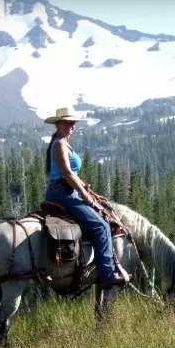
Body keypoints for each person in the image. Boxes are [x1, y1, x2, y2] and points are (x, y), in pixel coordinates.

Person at [44, 106, 126, 289]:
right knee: (101, 226)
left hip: (66, 189)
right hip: (62, 192)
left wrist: (88, 191)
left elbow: (72, 173)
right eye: (67, 123)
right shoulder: (59, 145)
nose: (71, 126)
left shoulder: (62, 142)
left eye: (73, 123)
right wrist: (84, 195)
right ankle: (107, 274)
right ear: (57, 124)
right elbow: (67, 174)